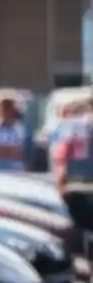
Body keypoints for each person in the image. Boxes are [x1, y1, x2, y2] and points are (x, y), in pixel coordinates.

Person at [51, 96, 93, 231]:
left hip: (77, 187)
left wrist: (60, 183)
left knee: (81, 230)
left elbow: (62, 156)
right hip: (79, 187)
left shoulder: (75, 126)